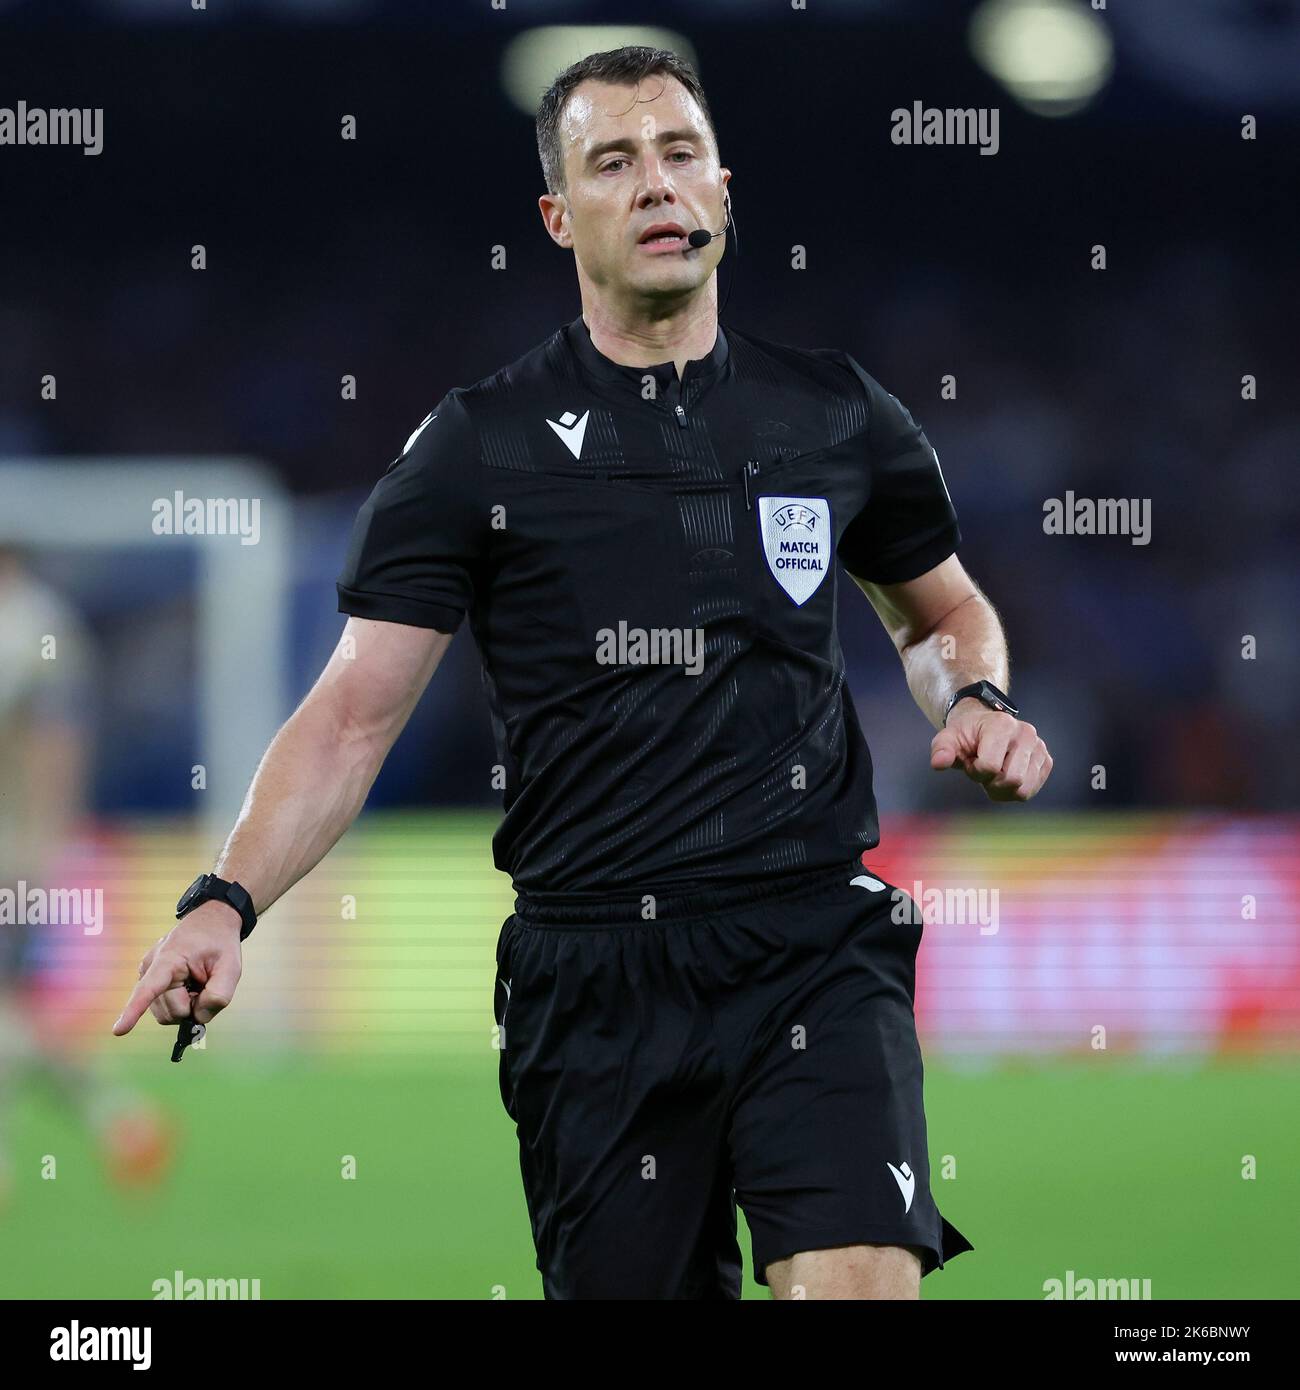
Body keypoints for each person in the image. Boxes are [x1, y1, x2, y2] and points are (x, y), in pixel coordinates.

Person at [113, 46, 1052, 1299]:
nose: (657, 183)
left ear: (724, 186)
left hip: (810, 939)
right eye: (614, 161)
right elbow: (349, 718)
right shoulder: (475, 446)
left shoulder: (836, 416)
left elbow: (941, 616)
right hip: (594, 979)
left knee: (859, 1277)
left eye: (679, 153)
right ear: (560, 217)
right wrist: (225, 898)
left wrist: (976, 697)